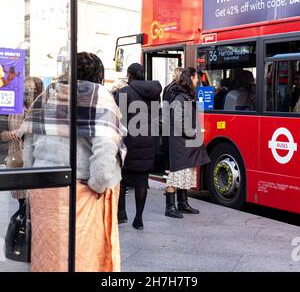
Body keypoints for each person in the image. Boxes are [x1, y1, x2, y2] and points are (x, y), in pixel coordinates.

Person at [20, 52, 126, 272]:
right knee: (81, 256)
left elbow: (29, 140)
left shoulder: (47, 95)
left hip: (42, 188)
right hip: (78, 193)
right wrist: (98, 183)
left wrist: (31, 180)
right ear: (98, 75)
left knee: (47, 254)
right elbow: (105, 146)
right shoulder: (99, 96)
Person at [115, 63, 162, 230]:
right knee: (142, 180)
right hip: (148, 141)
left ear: (130, 75)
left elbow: (118, 119)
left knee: (121, 178)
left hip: (128, 141)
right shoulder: (155, 93)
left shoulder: (124, 92)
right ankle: (139, 218)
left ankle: (121, 213)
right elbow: (156, 117)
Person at [164, 67, 210, 218]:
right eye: (196, 77)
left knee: (184, 171)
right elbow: (180, 123)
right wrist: (194, 133)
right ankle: (170, 207)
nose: (197, 80)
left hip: (185, 143)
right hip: (180, 143)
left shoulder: (185, 96)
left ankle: (182, 203)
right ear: (190, 79)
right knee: (176, 173)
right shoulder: (179, 99)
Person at [0, 77, 44, 209]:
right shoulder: (13, 108)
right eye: (25, 89)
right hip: (17, 158)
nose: (28, 92)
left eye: (32, 89)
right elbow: (1, 133)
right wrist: (8, 134)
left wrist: (24, 130)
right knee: (22, 202)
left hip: (36, 159)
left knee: (34, 203)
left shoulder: (41, 109)